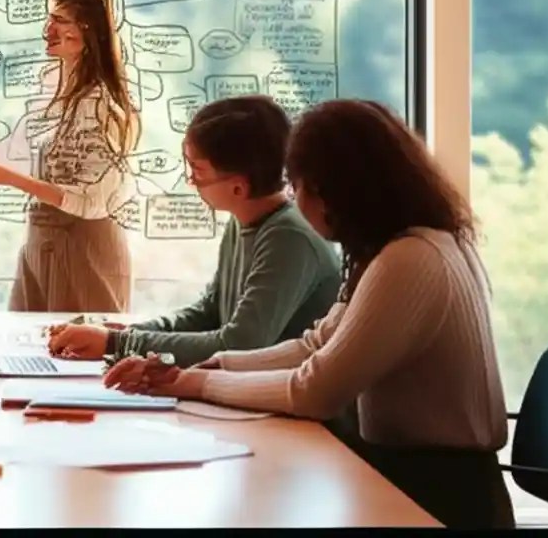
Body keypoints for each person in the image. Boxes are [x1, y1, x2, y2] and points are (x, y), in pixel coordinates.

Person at [106, 99, 514, 530]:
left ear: (330, 191)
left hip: (439, 496)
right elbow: (314, 345)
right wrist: (215, 366)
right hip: (409, 475)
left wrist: (196, 383)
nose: (294, 199)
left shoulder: (410, 259)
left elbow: (315, 389)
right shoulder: (397, 249)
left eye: (297, 185)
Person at [47, 95, 341, 368]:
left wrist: (117, 343)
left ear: (238, 188)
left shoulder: (289, 239)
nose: (191, 181)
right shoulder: (243, 220)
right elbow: (209, 314)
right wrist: (123, 334)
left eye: (197, 171)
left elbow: (240, 345)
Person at [0, 0, 140, 313]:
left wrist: (10, 179)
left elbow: (91, 200)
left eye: (60, 20)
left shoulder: (99, 104)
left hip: (82, 250)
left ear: (88, 30)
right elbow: (15, 153)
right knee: (24, 340)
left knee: (75, 345)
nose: (47, 30)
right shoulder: (52, 86)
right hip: (40, 243)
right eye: (49, 18)